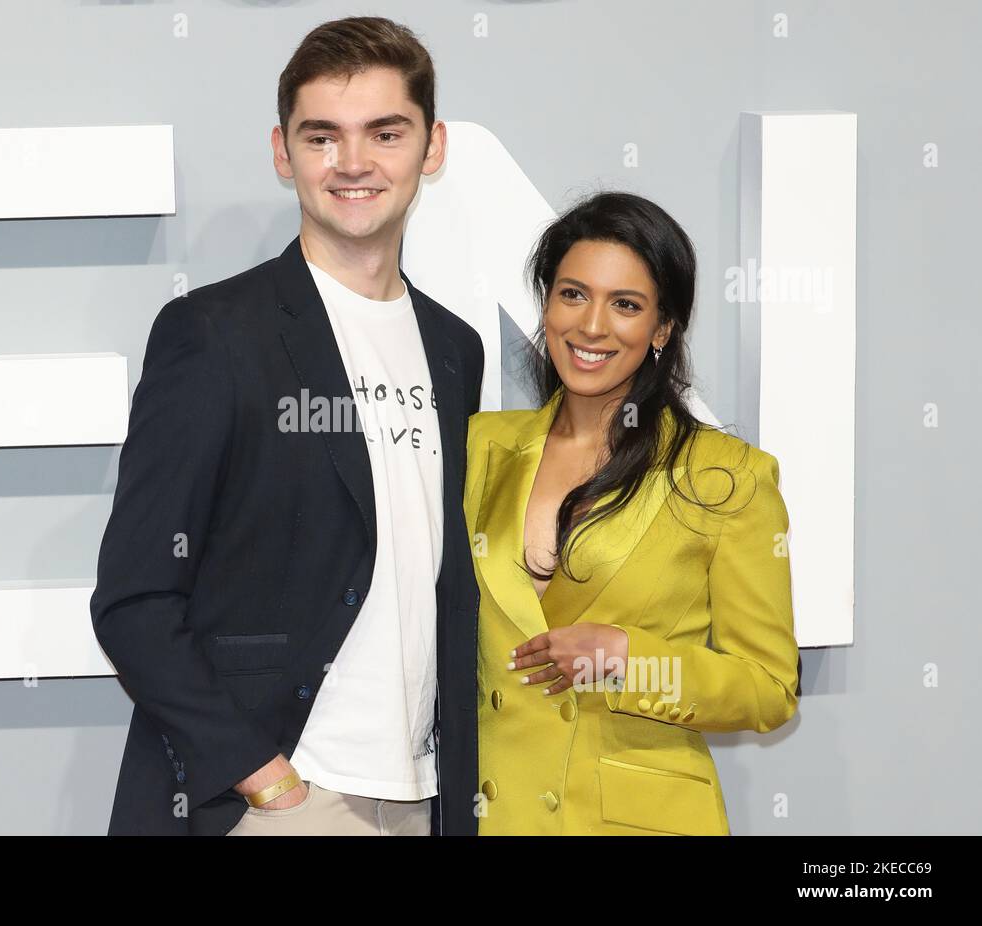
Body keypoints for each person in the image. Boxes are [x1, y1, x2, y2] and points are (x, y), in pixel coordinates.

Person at [90, 16, 484, 836]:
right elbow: (134, 599)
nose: (353, 163)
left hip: (426, 794)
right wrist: (265, 781)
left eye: (386, 133)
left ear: (432, 148)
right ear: (283, 153)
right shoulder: (214, 334)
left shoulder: (455, 349)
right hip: (289, 797)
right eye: (322, 137)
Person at [463, 191, 800, 835]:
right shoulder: (482, 446)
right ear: (546, 302)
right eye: (572, 294)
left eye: (626, 305)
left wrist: (626, 657)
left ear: (662, 329)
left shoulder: (726, 477)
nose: (591, 326)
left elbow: (767, 688)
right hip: (497, 812)